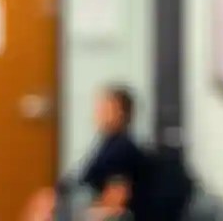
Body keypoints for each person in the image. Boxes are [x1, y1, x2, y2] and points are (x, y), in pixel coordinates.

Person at [25, 85, 151, 221]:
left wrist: (80, 213)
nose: (99, 112)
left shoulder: (122, 148)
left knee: (45, 211)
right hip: (81, 200)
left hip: (97, 210)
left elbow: (116, 199)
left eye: (106, 107)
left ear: (120, 112)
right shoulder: (107, 143)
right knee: (43, 200)